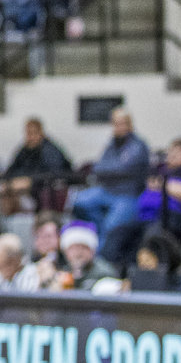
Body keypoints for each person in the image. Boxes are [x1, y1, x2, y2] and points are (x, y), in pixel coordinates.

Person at [72, 107, 150, 266]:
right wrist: (112, 170)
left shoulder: (138, 145)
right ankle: (100, 227)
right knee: (79, 201)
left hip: (128, 194)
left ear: (129, 125)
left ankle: (98, 263)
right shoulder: (112, 144)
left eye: (122, 123)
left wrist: (111, 170)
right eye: (115, 123)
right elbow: (99, 168)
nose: (118, 127)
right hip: (107, 191)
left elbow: (122, 169)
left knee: (111, 225)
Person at [0, 117, 72, 214]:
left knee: (16, 187)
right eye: (28, 133)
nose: (30, 137)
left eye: (33, 133)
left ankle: (23, 217)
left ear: (40, 132)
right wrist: (8, 180)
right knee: (3, 188)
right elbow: (13, 167)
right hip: (24, 181)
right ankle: (10, 221)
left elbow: (53, 172)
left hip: (42, 184)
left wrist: (30, 180)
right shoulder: (24, 149)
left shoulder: (49, 150)